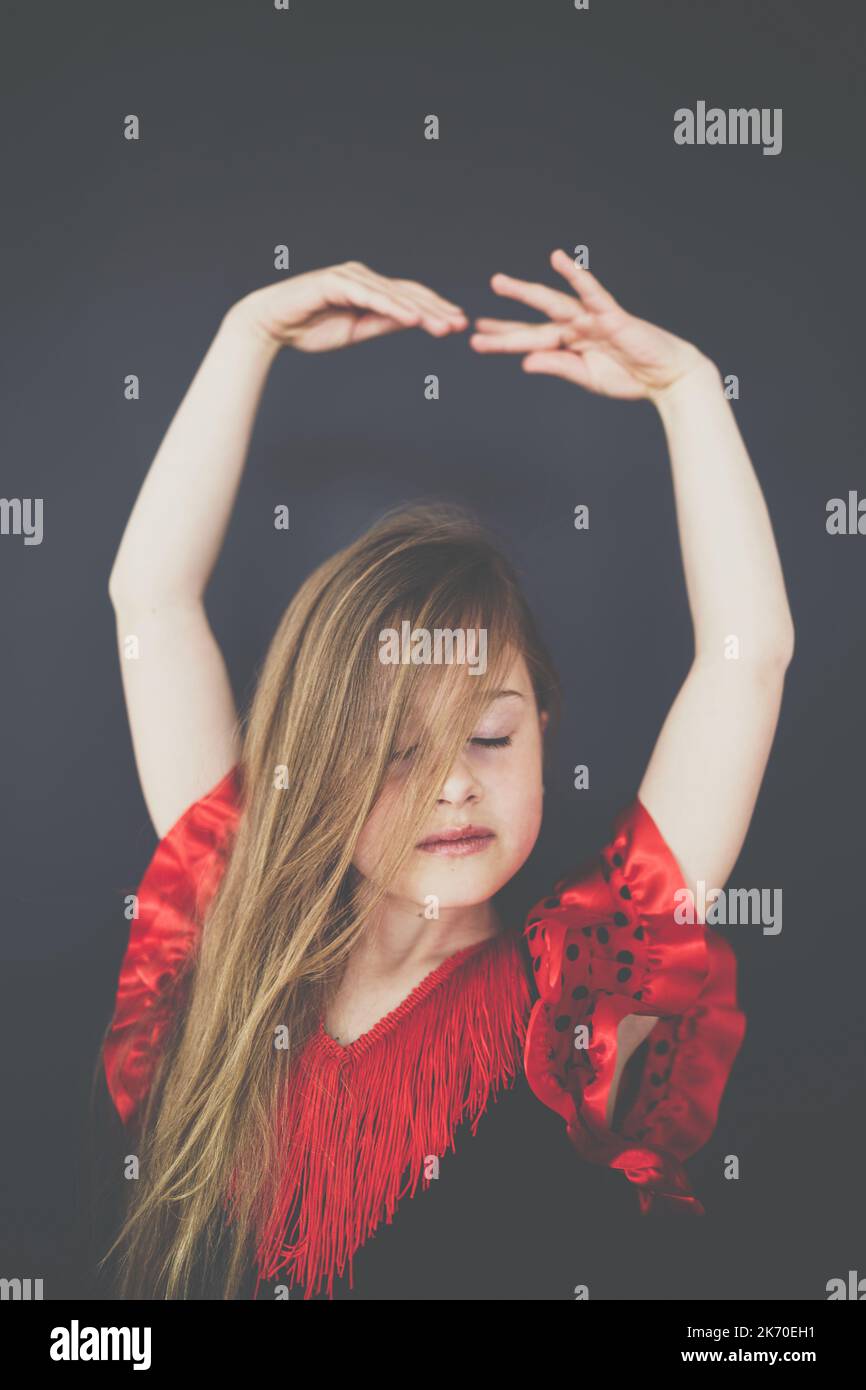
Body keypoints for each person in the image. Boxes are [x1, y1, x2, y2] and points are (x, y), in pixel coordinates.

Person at [96, 253, 793, 1300]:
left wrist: (687, 390)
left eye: (491, 737)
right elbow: (148, 601)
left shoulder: (578, 989)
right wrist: (248, 336)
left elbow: (746, 658)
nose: (453, 787)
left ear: (545, 729)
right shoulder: (234, 932)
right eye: (393, 753)